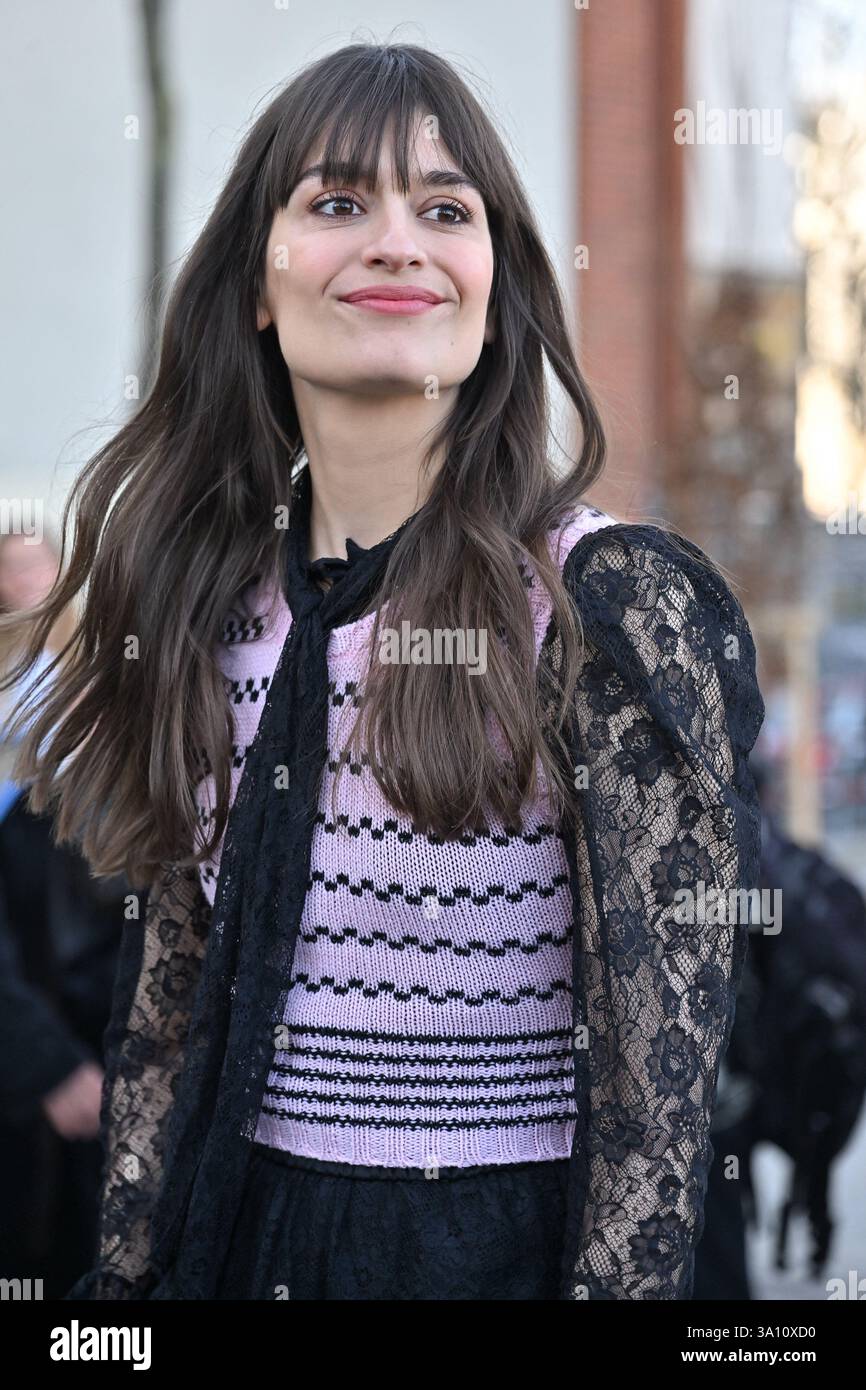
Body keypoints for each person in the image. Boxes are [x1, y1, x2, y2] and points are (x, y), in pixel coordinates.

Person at [2, 42, 765, 1301]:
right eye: (339, 202)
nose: (398, 241)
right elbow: (169, 1018)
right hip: (239, 1239)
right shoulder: (199, 601)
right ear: (259, 281)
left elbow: (655, 1089)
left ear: (494, 284)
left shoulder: (602, 602)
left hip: (488, 1254)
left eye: (446, 208)